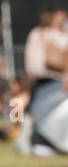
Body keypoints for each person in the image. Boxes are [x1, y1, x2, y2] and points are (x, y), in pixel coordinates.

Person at [23, 9, 68, 153]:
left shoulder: (61, 34)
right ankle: (24, 134)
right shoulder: (38, 33)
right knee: (23, 104)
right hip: (41, 78)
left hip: (56, 79)